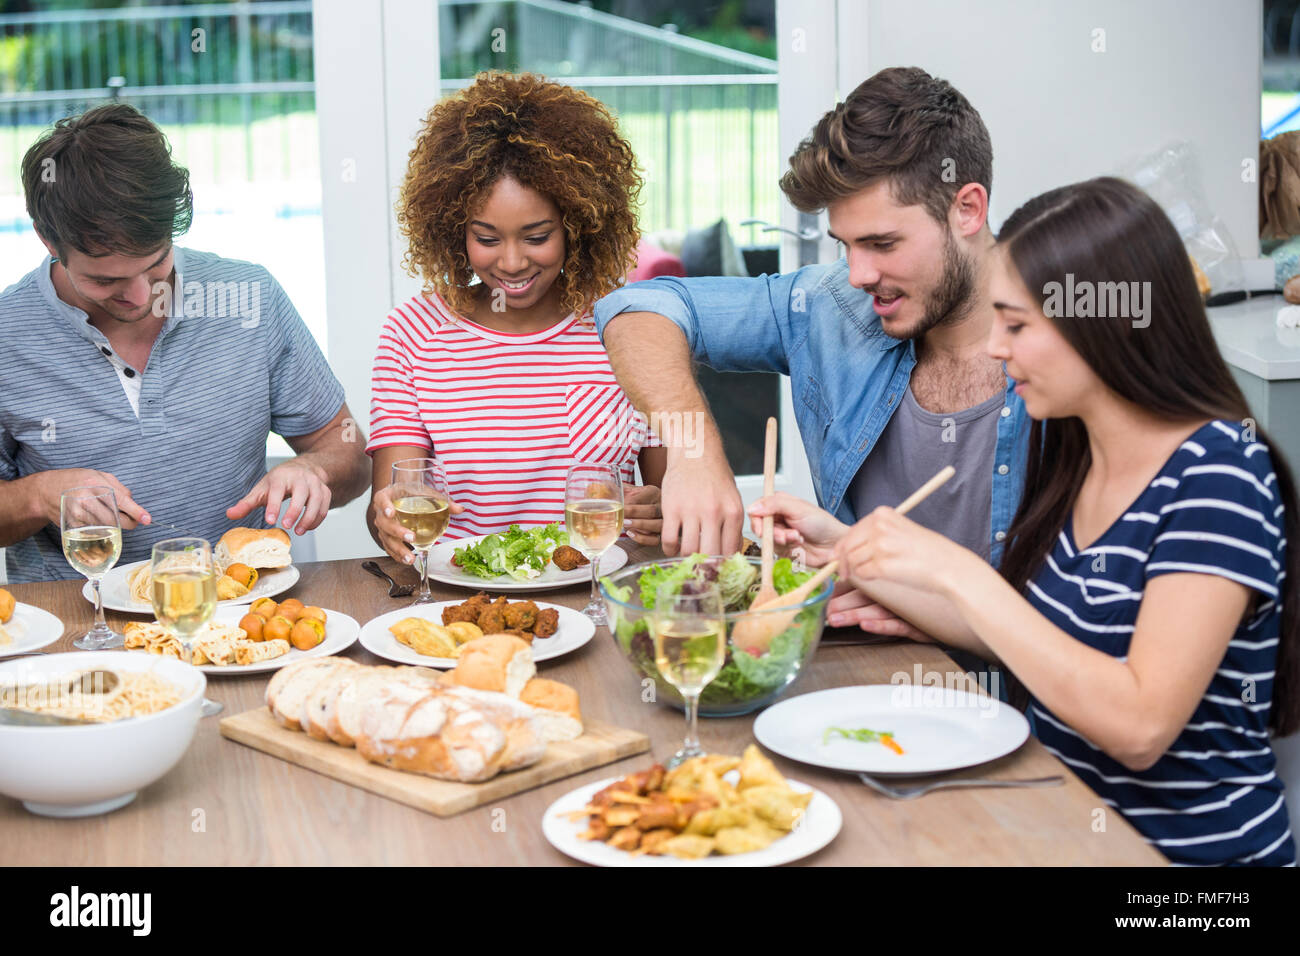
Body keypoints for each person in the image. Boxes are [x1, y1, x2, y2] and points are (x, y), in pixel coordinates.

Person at [758, 178, 1297, 866]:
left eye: (1015, 325)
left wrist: (958, 572)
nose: (993, 349)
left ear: (1099, 322)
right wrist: (845, 548)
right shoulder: (1077, 451)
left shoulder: (1218, 476)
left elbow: (1139, 726)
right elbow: (1027, 636)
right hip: (1060, 828)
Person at [593, 67, 1031, 640]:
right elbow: (637, 309)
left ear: (968, 209)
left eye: (882, 243)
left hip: (1021, 705)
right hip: (861, 674)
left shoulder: (1073, 353)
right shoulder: (830, 305)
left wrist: (950, 620)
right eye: (846, 245)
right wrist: (693, 452)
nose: (858, 274)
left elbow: (1100, 624)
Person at [0, 104, 369, 584]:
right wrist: (37, 495)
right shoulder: (9, 334)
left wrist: (315, 470)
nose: (139, 296)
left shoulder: (248, 298)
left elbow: (349, 453)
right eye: (106, 279)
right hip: (72, 634)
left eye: (155, 264)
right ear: (48, 240)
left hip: (237, 621)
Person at [365, 72, 665, 566]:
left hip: (598, 592)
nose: (510, 262)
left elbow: (668, 495)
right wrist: (389, 520)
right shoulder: (413, 334)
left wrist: (659, 509)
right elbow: (396, 503)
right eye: (486, 239)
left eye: (536, 236)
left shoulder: (629, 327)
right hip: (461, 598)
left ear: (578, 225)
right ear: (452, 230)